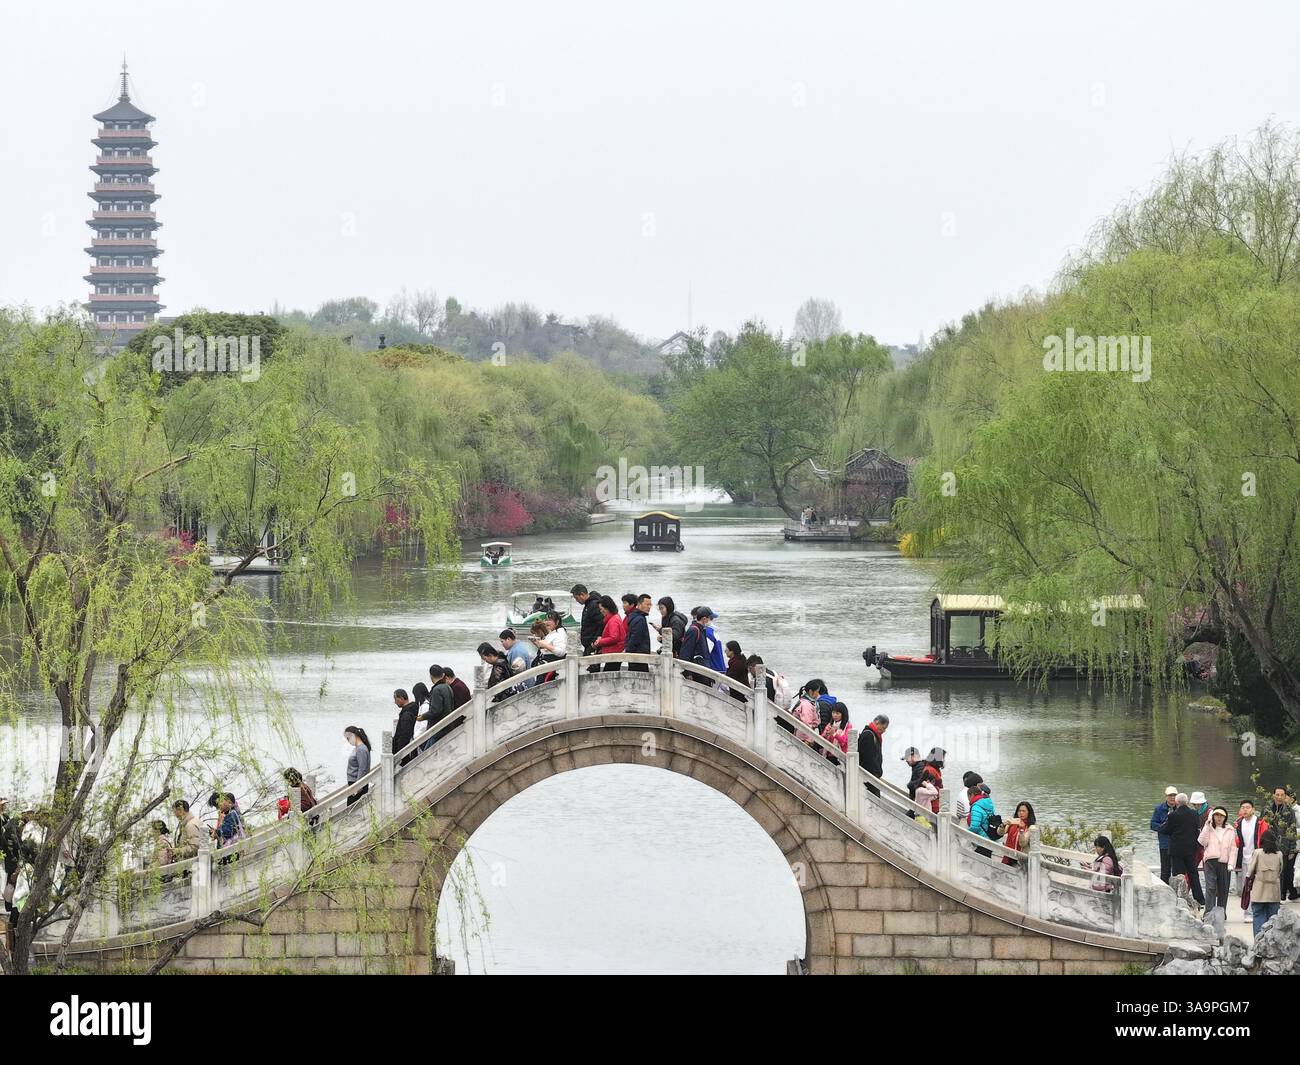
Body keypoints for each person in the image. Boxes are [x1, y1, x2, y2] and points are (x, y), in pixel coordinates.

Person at [1160, 792, 1205, 909]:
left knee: (1178, 875)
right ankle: (1200, 899)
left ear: (1176, 802)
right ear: (1187, 802)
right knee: (1193, 874)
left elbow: (1166, 830)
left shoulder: (1173, 815)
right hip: (1191, 849)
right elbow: (1197, 829)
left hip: (1177, 850)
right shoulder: (1194, 814)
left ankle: (1178, 898)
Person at [1198, 806, 1236, 923]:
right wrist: (1207, 825)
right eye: (1216, 815)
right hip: (1210, 860)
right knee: (1211, 887)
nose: (1219, 818)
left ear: (1225, 817)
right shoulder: (1209, 828)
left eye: (1221, 816)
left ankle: (1221, 913)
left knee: (1223, 889)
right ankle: (1208, 913)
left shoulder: (1230, 830)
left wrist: (1231, 863)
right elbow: (1201, 841)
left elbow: (1233, 848)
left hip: (1224, 862)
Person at [1247, 829, 1283, 938]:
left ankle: (1258, 941)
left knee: (1258, 916)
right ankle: (1270, 942)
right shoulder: (1279, 854)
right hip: (1274, 892)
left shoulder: (1257, 853)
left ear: (1262, 841)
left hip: (1259, 891)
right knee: (1273, 919)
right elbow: (1280, 870)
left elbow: (1250, 871)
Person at [1267, 785, 1298, 902]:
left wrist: (1292, 849)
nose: (1279, 797)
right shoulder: (1267, 809)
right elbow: (1262, 827)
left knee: (1282, 872)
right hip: (1268, 845)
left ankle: (1280, 896)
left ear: (1285, 797)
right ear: (1273, 795)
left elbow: (1292, 831)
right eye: (1277, 794)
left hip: (1283, 845)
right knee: (1269, 870)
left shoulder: (1289, 811)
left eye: (1282, 795)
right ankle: (1269, 895)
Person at [1234, 800, 1268, 897]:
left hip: (1257, 856)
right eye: (1243, 808)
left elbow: (1265, 840)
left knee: (1257, 883)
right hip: (1243, 857)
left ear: (1253, 810)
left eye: (1248, 807)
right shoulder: (1239, 823)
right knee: (1245, 885)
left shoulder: (1260, 823)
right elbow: (1239, 841)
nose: (1245, 810)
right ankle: (1246, 902)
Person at [679, 608, 714, 685]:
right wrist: (687, 673)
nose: (711, 620)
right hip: (697, 672)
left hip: (703, 670)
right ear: (704, 619)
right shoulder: (694, 630)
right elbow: (685, 653)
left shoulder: (702, 630)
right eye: (710, 618)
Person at [1151, 785, 1177, 884]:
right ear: (1166, 796)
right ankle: (1164, 890)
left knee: (1177, 871)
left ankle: (1177, 891)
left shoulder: (1180, 808)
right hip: (1165, 844)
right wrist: (1165, 827)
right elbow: (1153, 825)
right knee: (1165, 871)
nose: (1172, 798)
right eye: (1170, 795)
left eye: (1174, 795)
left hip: (1178, 845)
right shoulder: (1159, 809)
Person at [572, 584, 604, 664]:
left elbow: (601, 624)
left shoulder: (593, 605)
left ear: (582, 594)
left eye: (576, 598)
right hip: (588, 643)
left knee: (591, 667)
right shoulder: (588, 605)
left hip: (592, 644)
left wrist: (594, 642)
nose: (576, 601)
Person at [593, 596, 628, 672]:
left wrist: (600, 641)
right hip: (616, 651)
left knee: (609, 673)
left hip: (614, 653)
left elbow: (614, 637)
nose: (600, 611)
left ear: (607, 608)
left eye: (601, 609)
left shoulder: (613, 621)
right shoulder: (615, 617)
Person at [422, 666, 455, 742]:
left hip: (437, 728)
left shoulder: (437, 690)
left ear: (431, 676)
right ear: (443, 675)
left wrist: (423, 717)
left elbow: (435, 710)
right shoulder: (448, 687)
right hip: (447, 725)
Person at [998, 801, 1036, 865]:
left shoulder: (1031, 827)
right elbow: (1000, 833)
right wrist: (1003, 825)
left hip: (1021, 858)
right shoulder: (1013, 822)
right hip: (1008, 856)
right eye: (1019, 811)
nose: (1021, 813)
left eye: (1023, 811)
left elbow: (1023, 843)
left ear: (1029, 812)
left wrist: (1021, 830)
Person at [859, 714, 887, 796]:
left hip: (871, 775)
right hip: (868, 776)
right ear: (877, 723)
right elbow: (868, 758)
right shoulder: (869, 735)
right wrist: (877, 771)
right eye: (883, 728)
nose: (884, 730)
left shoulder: (872, 734)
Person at [623, 594, 652, 672]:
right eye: (647, 604)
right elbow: (635, 638)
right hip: (639, 657)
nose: (649, 607)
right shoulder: (640, 619)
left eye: (650, 605)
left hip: (635, 656)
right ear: (639, 604)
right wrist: (629, 650)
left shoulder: (634, 616)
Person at [344, 725, 372, 805]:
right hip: (354, 782)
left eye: (348, 738)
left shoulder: (361, 749)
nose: (348, 741)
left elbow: (362, 769)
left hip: (356, 783)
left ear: (353, 735)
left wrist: (358, 786)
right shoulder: (358, 748)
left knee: (351, 808)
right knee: (351, 807)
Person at [392, 688, 419, 765]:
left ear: (401, 698)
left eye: (395, 699)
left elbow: (404, 735)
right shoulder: (413, 709)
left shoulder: (406, 715)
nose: (395, 702)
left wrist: (399, 752)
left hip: (404, 752)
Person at [967, 784, 996, 857]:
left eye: (968, 797)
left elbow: (974, 827)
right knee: (987, 857)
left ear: (972, 795)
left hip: (982, 839)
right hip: (990, 836)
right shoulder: (988, 803)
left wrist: (966, 834)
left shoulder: (976, 806)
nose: (968, 799)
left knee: (979, 859)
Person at [916, 748, 945, 815]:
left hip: (935, 803)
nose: (943, 760)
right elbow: (929, 788)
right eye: (942, 757)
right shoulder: (930, 770)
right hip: (932, 805)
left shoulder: (932, 769)